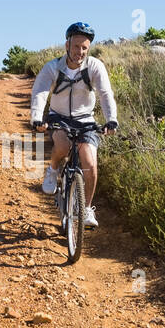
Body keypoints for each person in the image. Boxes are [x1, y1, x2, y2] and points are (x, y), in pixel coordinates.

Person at [29, 22, 118, 228]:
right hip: (58, 117)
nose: (80, 52)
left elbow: (105, 95)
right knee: (62, 146)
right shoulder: (52, 67)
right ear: (67, 45)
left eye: (84, 47)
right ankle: (52, 170)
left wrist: (111, 119)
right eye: (76, 46)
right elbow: (40, 92)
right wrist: (37, 118)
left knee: (91, 164)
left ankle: (86, 208)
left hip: (85, 119)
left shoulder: (95, 67)